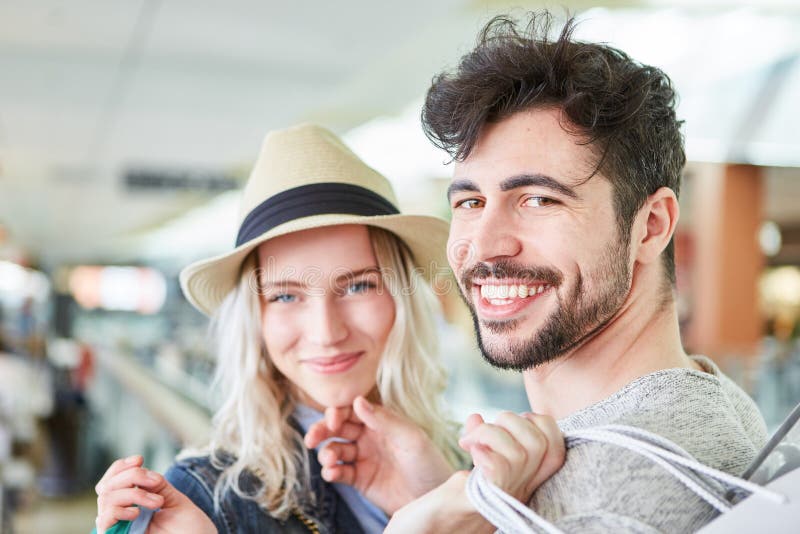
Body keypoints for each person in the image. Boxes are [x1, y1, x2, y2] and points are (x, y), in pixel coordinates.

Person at [308, 11, 768, 533]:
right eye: (471, 201)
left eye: (537, 198)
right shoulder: (708, 401)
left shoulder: (611, 496)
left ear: (650, 226)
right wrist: (454, 498)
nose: (484, 244)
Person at [93, 124, 559, 534]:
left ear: (402, 298)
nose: (326, 332)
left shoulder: (465, 469)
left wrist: (447, 500)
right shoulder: (203, 501)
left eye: (357, 286)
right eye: (286, 295)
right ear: (254, 319)